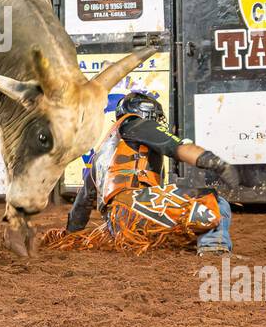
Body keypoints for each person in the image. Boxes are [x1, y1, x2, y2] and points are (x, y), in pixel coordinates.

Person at [45, 91, 242, 256]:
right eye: (155, 117)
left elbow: (82, 204)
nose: (157, 122)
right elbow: (175, 146)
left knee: (185, 230)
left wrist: (71, 235)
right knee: (214, 200)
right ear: (145, 114)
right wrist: (215, 162)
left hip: (118, 226)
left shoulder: (102, 153)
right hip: (137, 207)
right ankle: (213, 248)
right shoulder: (134, 123)